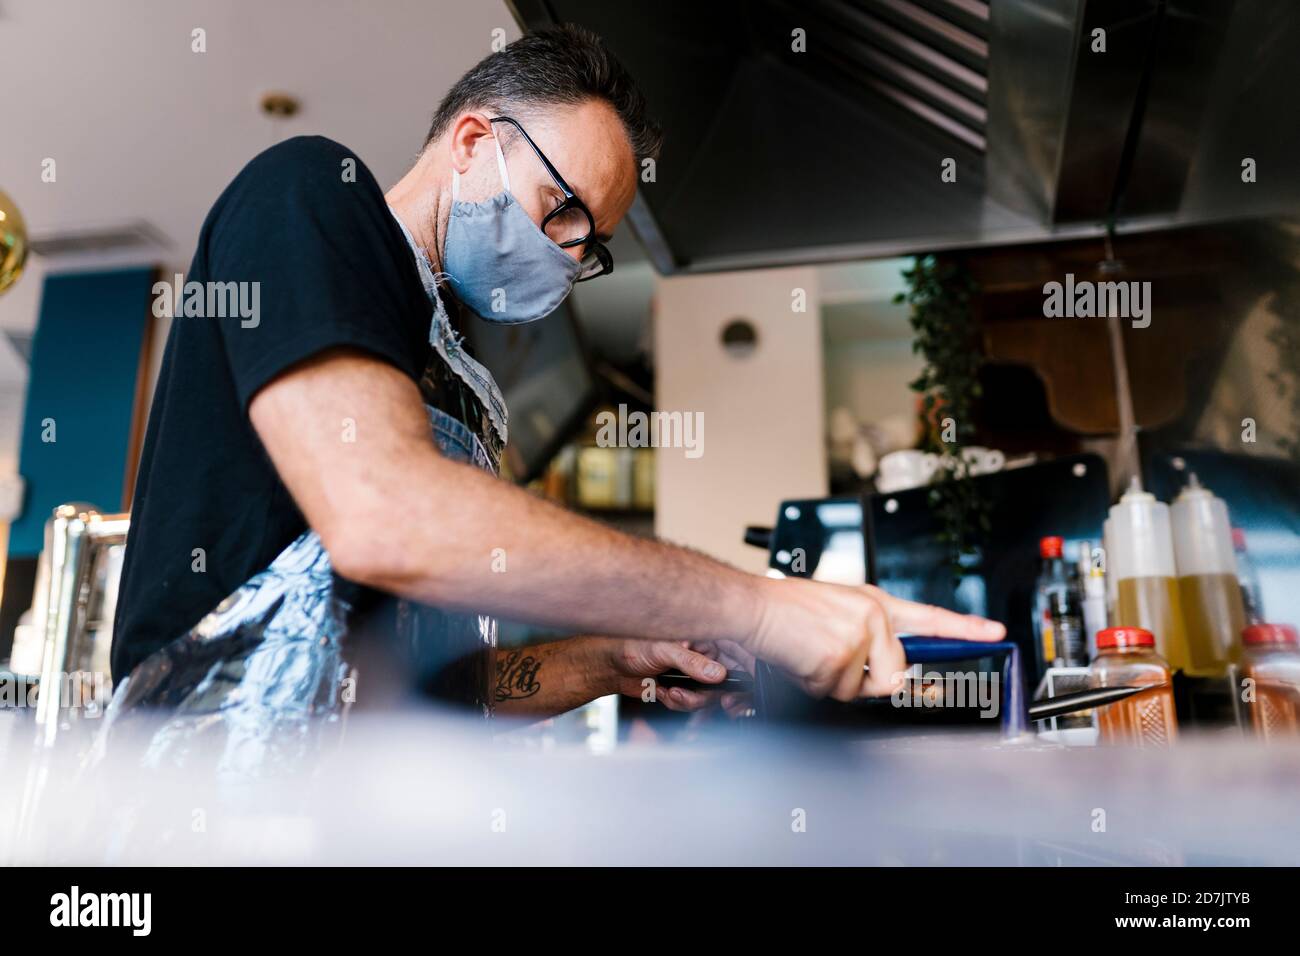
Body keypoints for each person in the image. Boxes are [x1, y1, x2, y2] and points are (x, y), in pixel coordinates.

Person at [111, 26, 1004, 732]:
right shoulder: (310, 194)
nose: (569, 258)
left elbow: (454, 690)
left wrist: (619, 659)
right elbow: (388, 518)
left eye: (591, 249)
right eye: (563, 212)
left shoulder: (458, 379)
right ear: (471, 140)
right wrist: (765, 607)